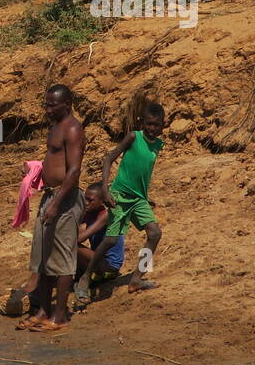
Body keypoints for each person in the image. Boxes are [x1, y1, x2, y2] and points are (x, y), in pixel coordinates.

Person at [75, 103, 166, 305]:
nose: (152, 128)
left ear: (162, 126)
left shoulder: (158, 145)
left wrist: (145, 195)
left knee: (155, 233)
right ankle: (85, 277)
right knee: (111, 240)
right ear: (143, 123)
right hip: (119, 195)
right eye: (149, 124)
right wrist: (106, 190)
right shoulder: (134, 137)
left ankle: (137, 279)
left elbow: (143, 171)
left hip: (138, 198)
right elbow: (109, 158)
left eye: (156, 125)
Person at [18, 84, 85, 333]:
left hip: (64, 200)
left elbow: (74, 170)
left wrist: (56, 203)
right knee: (42, 258)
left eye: (52, 104)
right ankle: (43, 311)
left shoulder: (73, 128)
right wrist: (34, 169)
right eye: (46, 103)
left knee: (63, 260)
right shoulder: (54, 128)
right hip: (50, 196)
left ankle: (60, 317)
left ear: (66, 104)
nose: (47, 109)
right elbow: (52, 161)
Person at [76, 182, 124, 284]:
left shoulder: (106, 215)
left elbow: (81, 238)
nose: (86, 203)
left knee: (71, 246)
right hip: (98, 260)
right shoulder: (90, 212)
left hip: (109, 265)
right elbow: (73, 224)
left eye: (90, 200)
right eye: (85, 199)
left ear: (102, 201)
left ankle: (88, 277)